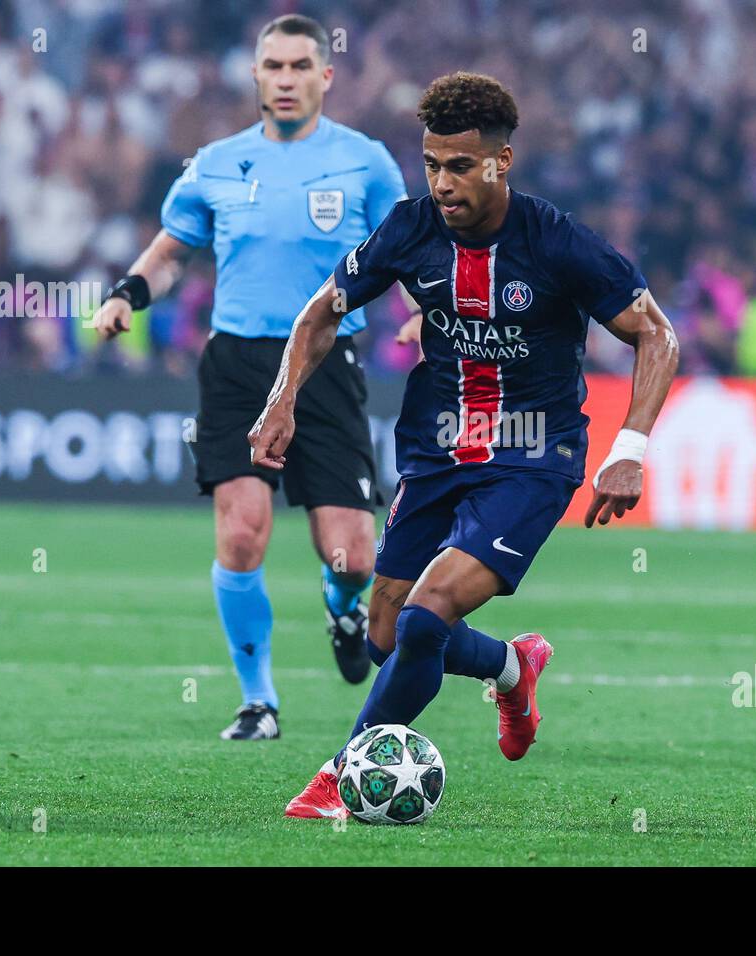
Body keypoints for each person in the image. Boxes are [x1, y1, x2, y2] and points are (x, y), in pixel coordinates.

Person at [246, 72, 680, 818]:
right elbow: (322, 312)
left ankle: (339, 778)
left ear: (500, 163)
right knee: (387, 632)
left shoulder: (558, 243)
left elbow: (656, 332)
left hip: (532, 457)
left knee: (424, 617)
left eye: (458, 166)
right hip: (437, 451)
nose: (441, 183)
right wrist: (280, 399)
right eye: (432, 164)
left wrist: (631, 445)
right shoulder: (410, 230)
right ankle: (514, 666)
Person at [90, 15, 417, 741]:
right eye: (275, 66)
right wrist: (126, 293)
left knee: (353, 554)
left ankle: (344, 603)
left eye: (302, 66)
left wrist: (424, 309)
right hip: (239, 361)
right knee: (242, 536)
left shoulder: (365, 162)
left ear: (325, 77)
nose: (288, 79)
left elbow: (408, 249)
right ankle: (258, 701)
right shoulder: (216, 162)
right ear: (257, 76)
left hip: (327, 363)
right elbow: (171, 248)